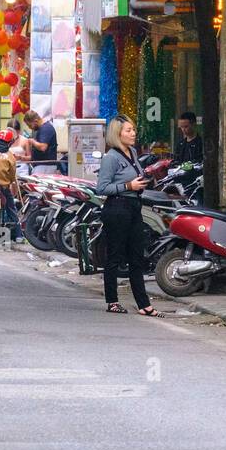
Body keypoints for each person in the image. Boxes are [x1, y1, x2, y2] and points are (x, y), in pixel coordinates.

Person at [96, 115, 160, 316]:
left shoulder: (132, 152)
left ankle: (144, 304)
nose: (133, 133)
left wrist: (142, 183)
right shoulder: (111, 158)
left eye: (133, 130)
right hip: (117, 208)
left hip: (134, 206)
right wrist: (127, 186)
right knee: (114, 256)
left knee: (136, 256)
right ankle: (112, 301)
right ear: (118, 134)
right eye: (128, 130)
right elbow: (101, 188)